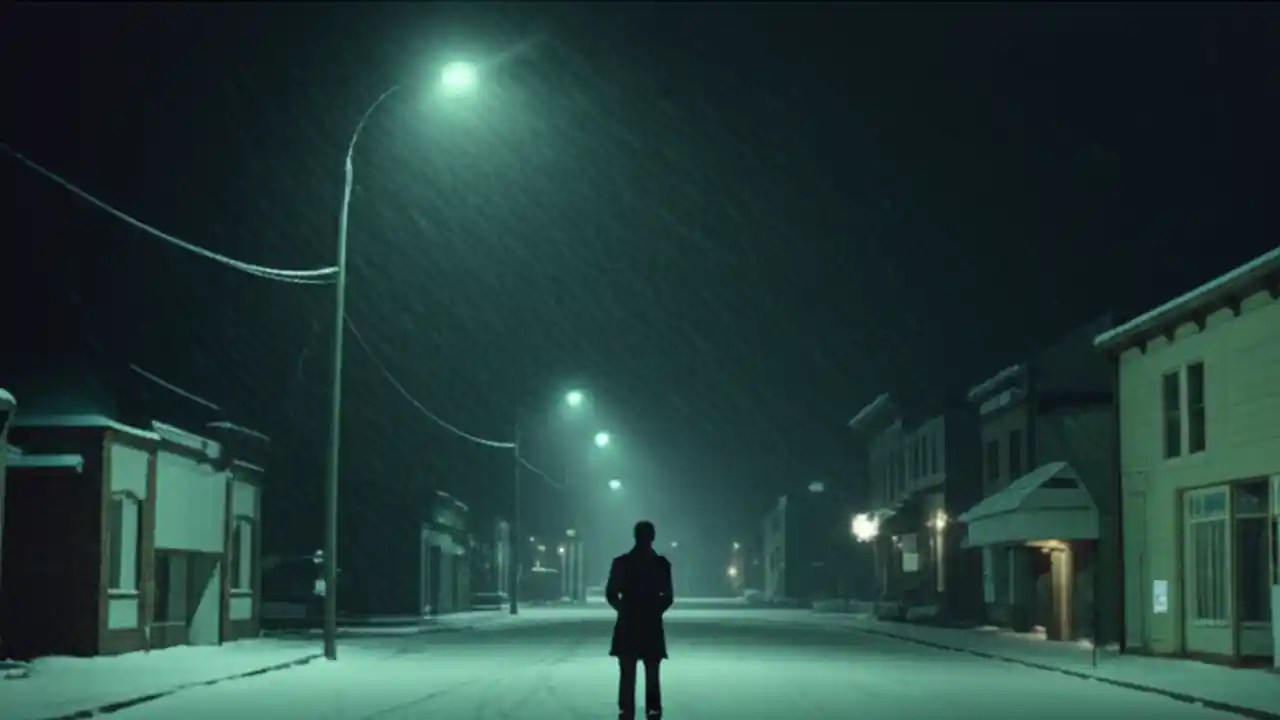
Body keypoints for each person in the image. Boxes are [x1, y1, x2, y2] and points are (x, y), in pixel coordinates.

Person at [606, 520, 674, 720]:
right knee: (652, 672)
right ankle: (652, 711)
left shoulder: (622, 563)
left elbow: (611, 593)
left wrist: (624, 610)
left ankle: (627, 711)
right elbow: (668, 596)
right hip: (651, 625)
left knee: (627, 674)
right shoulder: (661, 564)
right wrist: (654, 611)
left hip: (628, 624)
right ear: (652, 537)